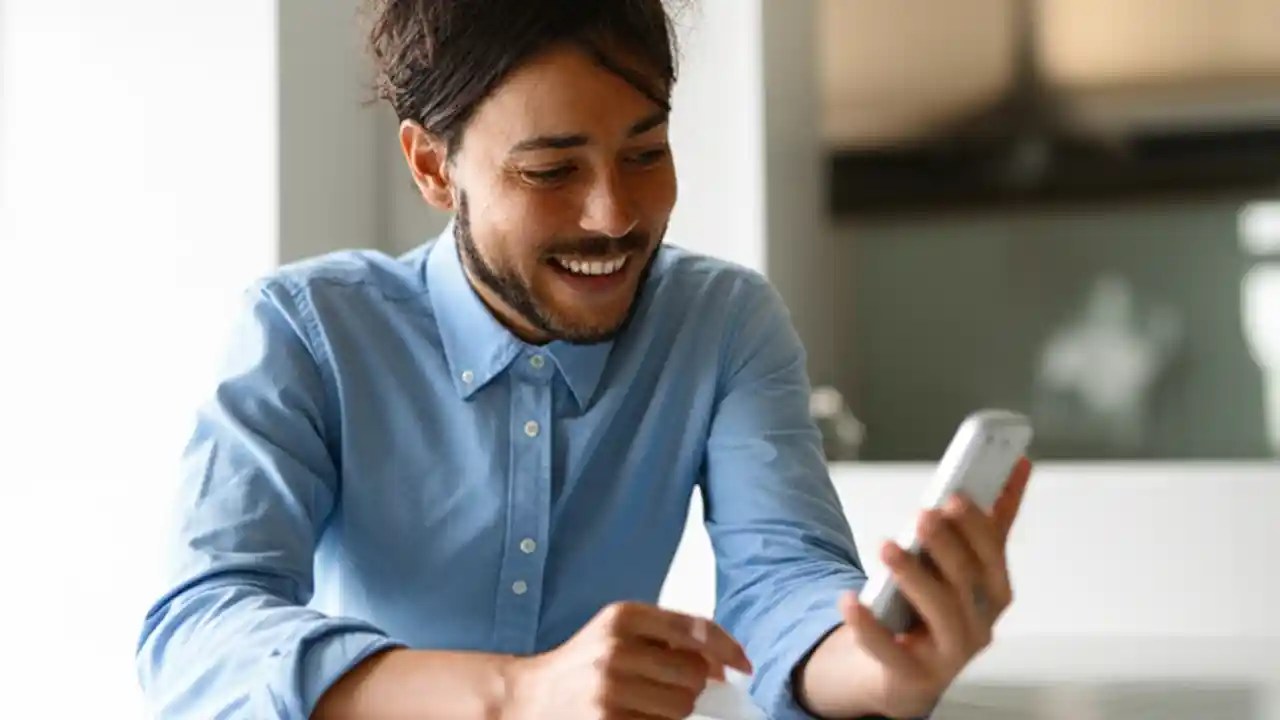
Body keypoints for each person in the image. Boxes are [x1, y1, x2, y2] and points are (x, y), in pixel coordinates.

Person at [135, 1, 1033, 718]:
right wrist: (516, 695)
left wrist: (882, 673)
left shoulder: (722, 323)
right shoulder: (307, 330)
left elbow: (783, 589)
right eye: (550, 171)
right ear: (433, 166)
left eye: (645, 153)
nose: (613, 216)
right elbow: (200, 634)